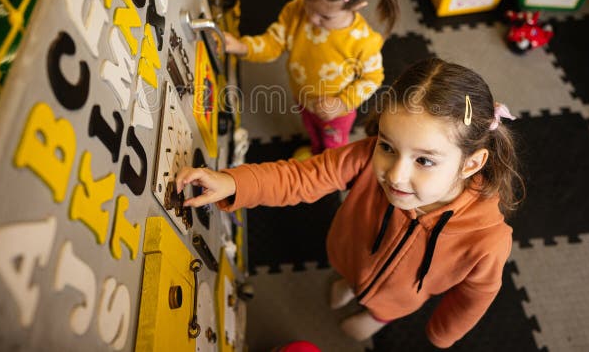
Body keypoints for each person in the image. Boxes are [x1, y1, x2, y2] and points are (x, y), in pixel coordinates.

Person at [176, 58, 525, 347]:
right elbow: (302, 176)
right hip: (349, 253)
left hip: (398, 298)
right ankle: (351, 285)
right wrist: (233, 181)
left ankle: (375, 316)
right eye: (388, 147)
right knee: (347, 273)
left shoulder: (489, 240)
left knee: (384, 306)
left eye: (424, 161)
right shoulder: (364, 155)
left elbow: (475, 295)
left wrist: (442, 332)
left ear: (472, 163)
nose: (395, 175)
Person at [224, 0, 399, 155]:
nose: (312, 19)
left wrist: (343, 103)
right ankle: (316, 151)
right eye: (308, 4)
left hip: (337, 113)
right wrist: (241, 47)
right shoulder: (296, 11)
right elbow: (273, 43)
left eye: (325, 17)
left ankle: (327, 167)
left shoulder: (363, 41)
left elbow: (373, 78)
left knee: (333, 147)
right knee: (312, 130)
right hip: (303, 97)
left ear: (356, 6)